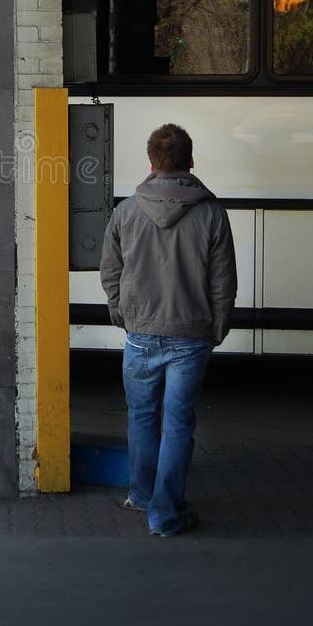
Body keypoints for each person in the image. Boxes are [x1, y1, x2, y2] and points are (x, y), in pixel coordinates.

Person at [99, 123, 237, 537]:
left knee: (142, 417)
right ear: (190, 162)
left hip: (140, 333)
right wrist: (217, 327)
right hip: (191, 336)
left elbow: (110, 271)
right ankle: (165, 513)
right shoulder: (212, 212)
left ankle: (142, 496)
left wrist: (122, 313)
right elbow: (223, 282)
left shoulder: (126, 211)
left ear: (151, 163)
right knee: (178, 424)